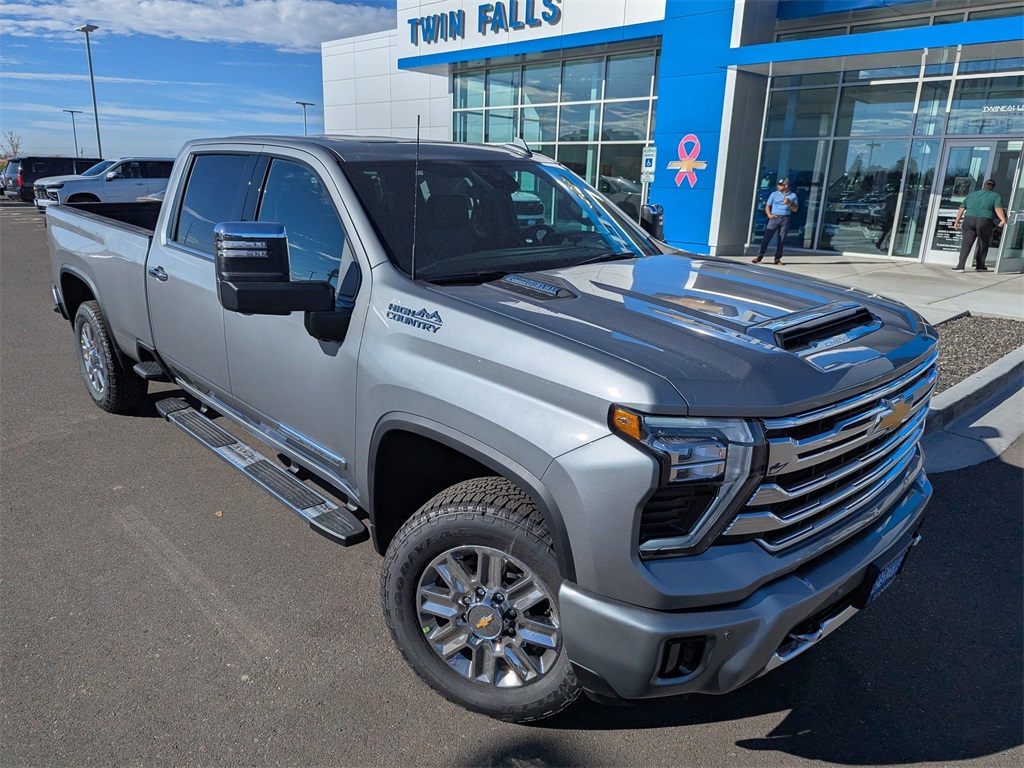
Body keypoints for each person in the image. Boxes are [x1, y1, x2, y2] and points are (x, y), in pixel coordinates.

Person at [952, 179, 1007, 272]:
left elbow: (961, 209)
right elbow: (998, 208)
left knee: (966, 243)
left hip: (969, 220)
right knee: (983, 243)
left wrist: (956, 221)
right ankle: (980, 266)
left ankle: (960, 267)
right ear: (992, 187)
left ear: (984, 186)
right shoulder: (995, 196)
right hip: (985, 221)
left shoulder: (972, 195)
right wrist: (1002, 219)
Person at [752, 178, 798, 265]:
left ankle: (777, 259)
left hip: (785, 218)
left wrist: (789, 203)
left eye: (780, 185)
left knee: (781, 239)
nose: (778, 186)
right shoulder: (774, 194)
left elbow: (795, 209)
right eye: (778, 184)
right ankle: (759, 256)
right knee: (766, 238)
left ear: (786, 186)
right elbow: (768, 205)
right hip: (774, 217)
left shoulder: (793, 195)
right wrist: (769, 215)